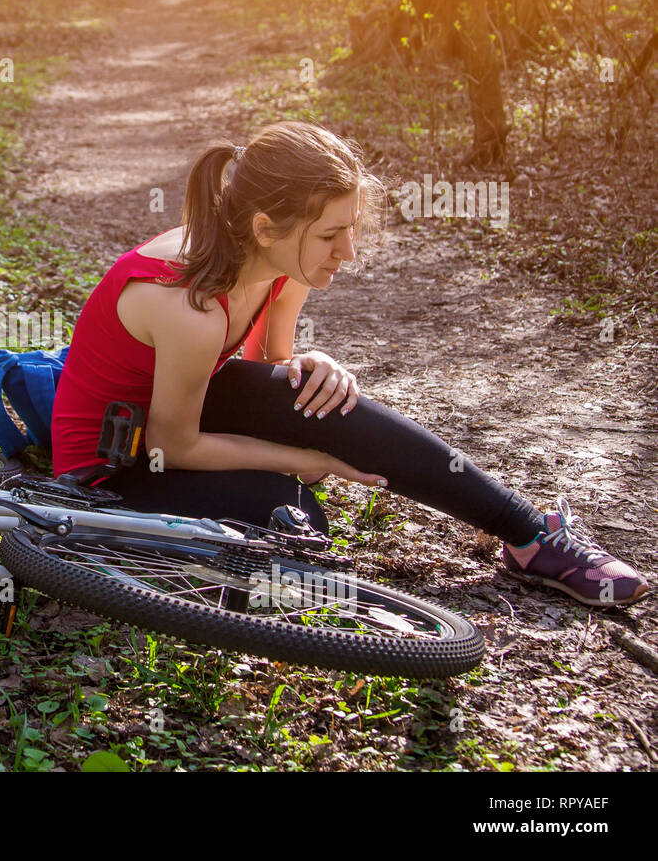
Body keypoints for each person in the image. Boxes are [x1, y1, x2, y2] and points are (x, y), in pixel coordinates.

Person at [50, 121, 648, 608]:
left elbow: (271, 370)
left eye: (352, 228)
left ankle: (529, 534)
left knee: (319, 396)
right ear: (265, 227)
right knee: (296, 515)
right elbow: (171, 446)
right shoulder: (190, 306)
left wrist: (310, 365)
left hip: (178, 405)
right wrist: (310, 462)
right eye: (333, 234)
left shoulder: (278, 261)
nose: (350, 252)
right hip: (112, 466)